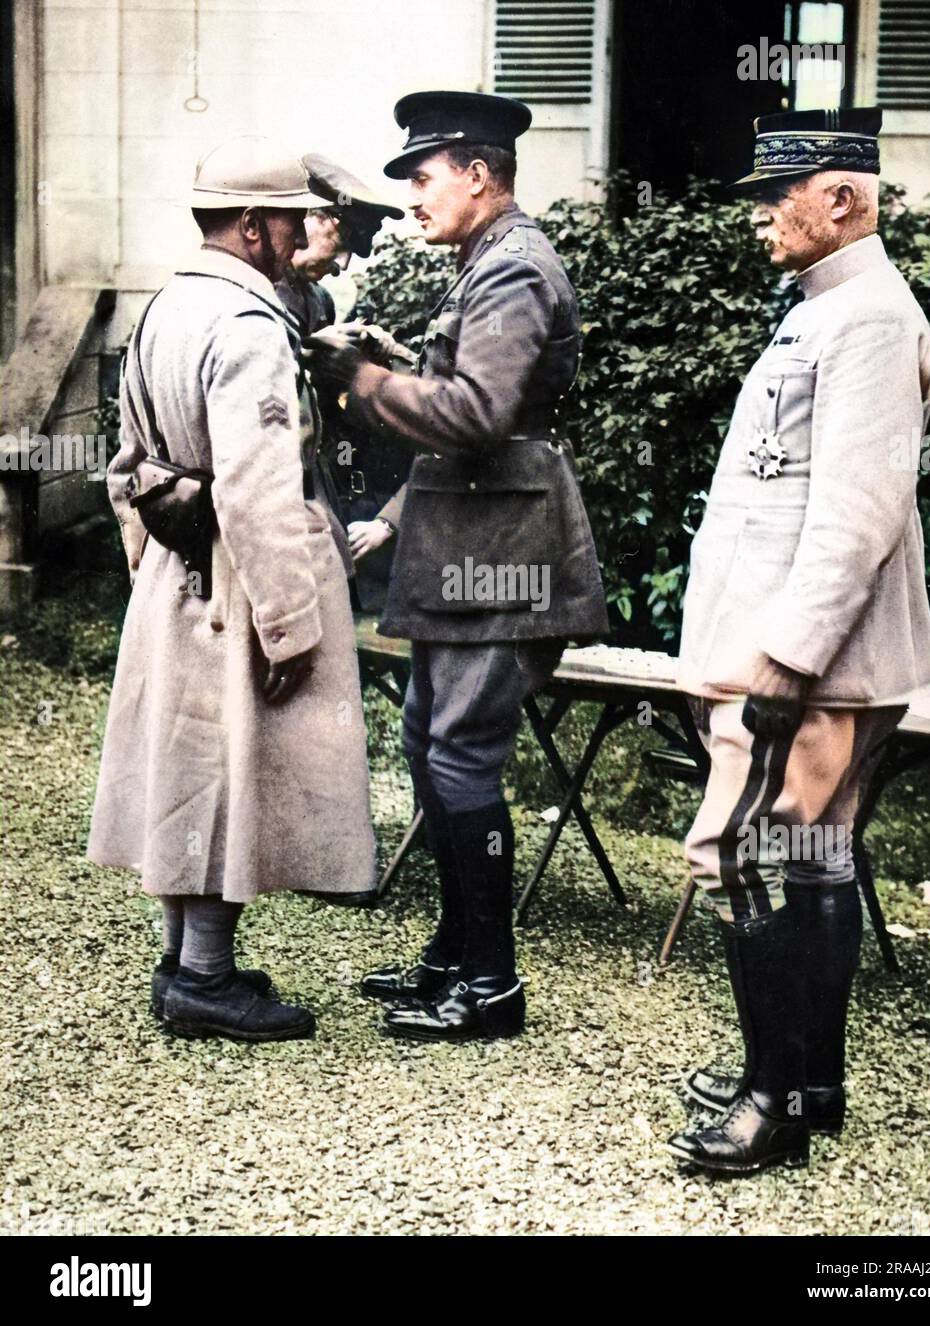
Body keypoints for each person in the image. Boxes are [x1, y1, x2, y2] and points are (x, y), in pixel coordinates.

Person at [667, 108, 930, 1172]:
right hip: (819, 651)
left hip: (809, 657)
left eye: (776, 193)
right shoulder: (826, 306)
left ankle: (768, 1099)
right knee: (817, 859)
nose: (759, 215)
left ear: (842, 197)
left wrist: (781, 661)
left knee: (739, 850)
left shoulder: (863, 315)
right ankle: (808, 1082)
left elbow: (855, 515)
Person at [307, 91, 609, 1041]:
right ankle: (452, 954)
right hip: (470, 543)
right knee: (431, 741)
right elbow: (481, 390)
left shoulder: (513, 271)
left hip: (503, 551)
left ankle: (490, 986)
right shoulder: (487, 261)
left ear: (480, 175)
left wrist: (359, 378)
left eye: (424, 177)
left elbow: (479, 416)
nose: (413, 199)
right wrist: (400, 359)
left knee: (463, 755)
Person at [88, 136, 377, 1042]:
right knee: (231, 766)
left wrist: (148, 555)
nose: (300, 236)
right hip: (240, 579)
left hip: (180, 574)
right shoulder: (249, 327)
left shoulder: (167, 306)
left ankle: (186, 961)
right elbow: (259, 491)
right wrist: (289, 624)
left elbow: (126, 461)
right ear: (252, 225)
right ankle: (205, 979)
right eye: (290, 219)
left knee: (188, 762)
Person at [277, 156, 413, 612]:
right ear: (310, 219)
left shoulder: (316, 301)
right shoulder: (252, 291)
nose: (343, 265)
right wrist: (309, 347)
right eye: (341, 243)